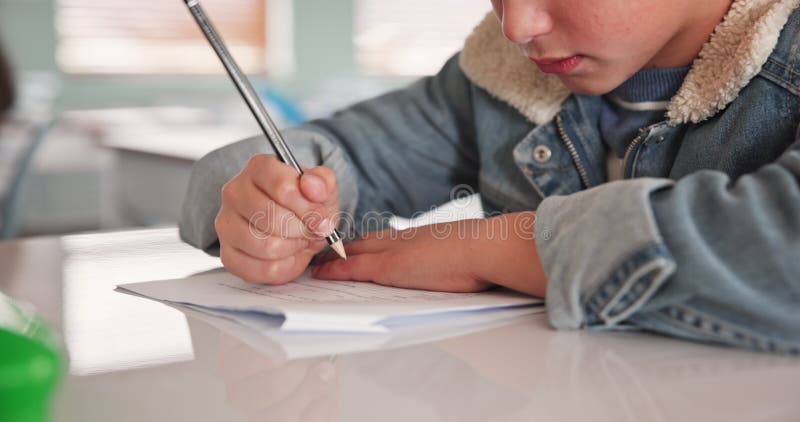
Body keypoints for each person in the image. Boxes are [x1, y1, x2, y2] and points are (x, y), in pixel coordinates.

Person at [180, 0, 800, 353]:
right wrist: (272, 199)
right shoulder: (501, 74)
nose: (518, 26)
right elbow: (328, 153)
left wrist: (505, 247)